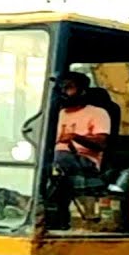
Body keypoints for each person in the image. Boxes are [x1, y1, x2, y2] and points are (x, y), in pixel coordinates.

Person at [47, 71, 112, 229]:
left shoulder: (97, 113)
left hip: (84, 161)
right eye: (62, 88)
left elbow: (101, 143)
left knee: (57, 160)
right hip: (58, 158)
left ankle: (44, 203)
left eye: (69, 87)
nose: (64, 92)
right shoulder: (58, 114)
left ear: (82, 91)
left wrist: (75, 137)